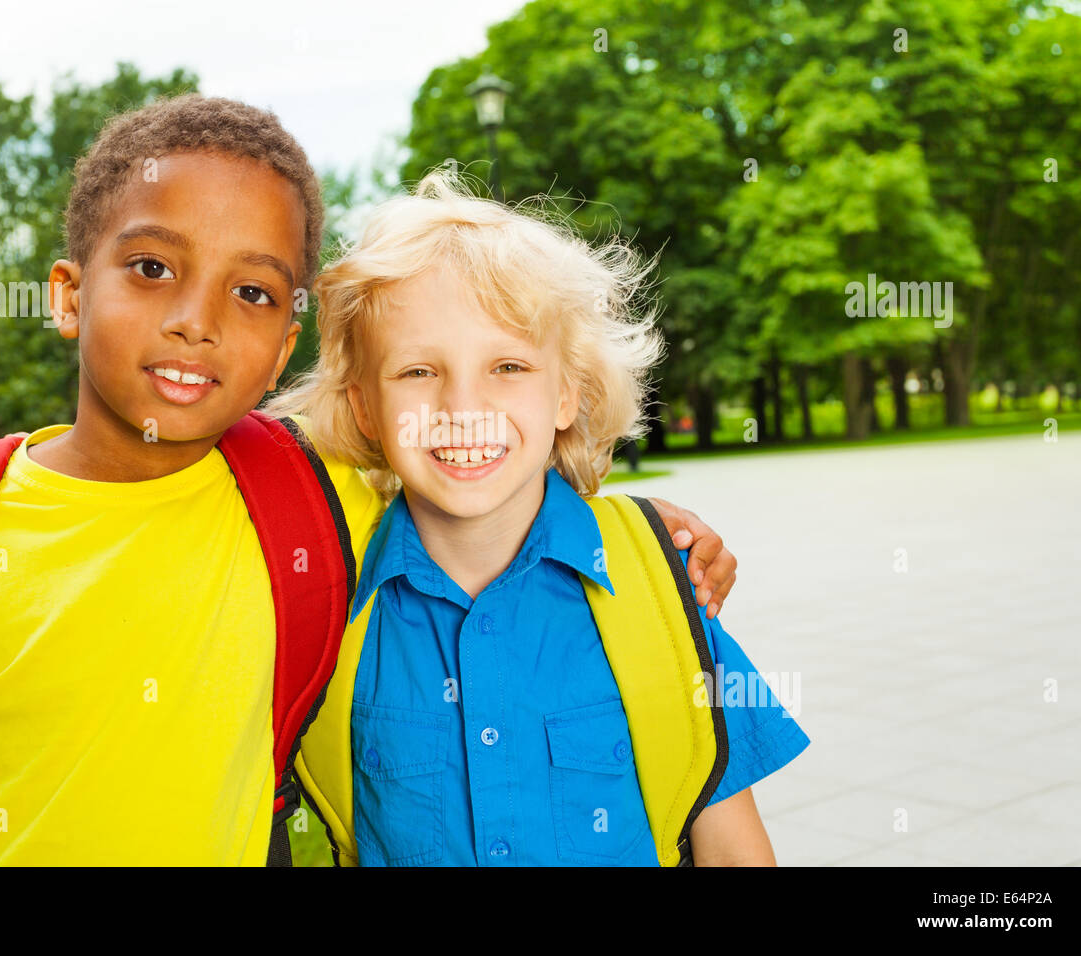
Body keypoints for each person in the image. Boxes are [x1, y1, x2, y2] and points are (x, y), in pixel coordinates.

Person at [0, 96, 737, 866]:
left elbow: (474, 480)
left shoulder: (317, 504)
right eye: (151, 267)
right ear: (68, 293)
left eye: (251, 292)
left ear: (285, 342)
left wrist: (645, 533)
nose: (196, 322)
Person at [268, 172, 808, 866]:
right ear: (366, 409)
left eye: (509, 366)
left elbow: (733, 849)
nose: (466, 408)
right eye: (418, 372)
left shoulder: (662, 590)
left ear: (566, 397)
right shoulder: (328, 614)